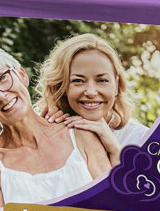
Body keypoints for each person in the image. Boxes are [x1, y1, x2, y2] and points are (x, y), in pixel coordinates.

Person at [0, 46, 111, 208]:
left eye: (1, 78)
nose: (0, 95)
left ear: (22, 76)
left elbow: (116, 208)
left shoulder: (80, 134)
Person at [36, 33, 149, 166]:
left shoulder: (142, 140)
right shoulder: (47, 130)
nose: (91, 92)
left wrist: (115, 152)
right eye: (78, 81)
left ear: (116, 84)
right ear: (62, 86)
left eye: (102, 80)